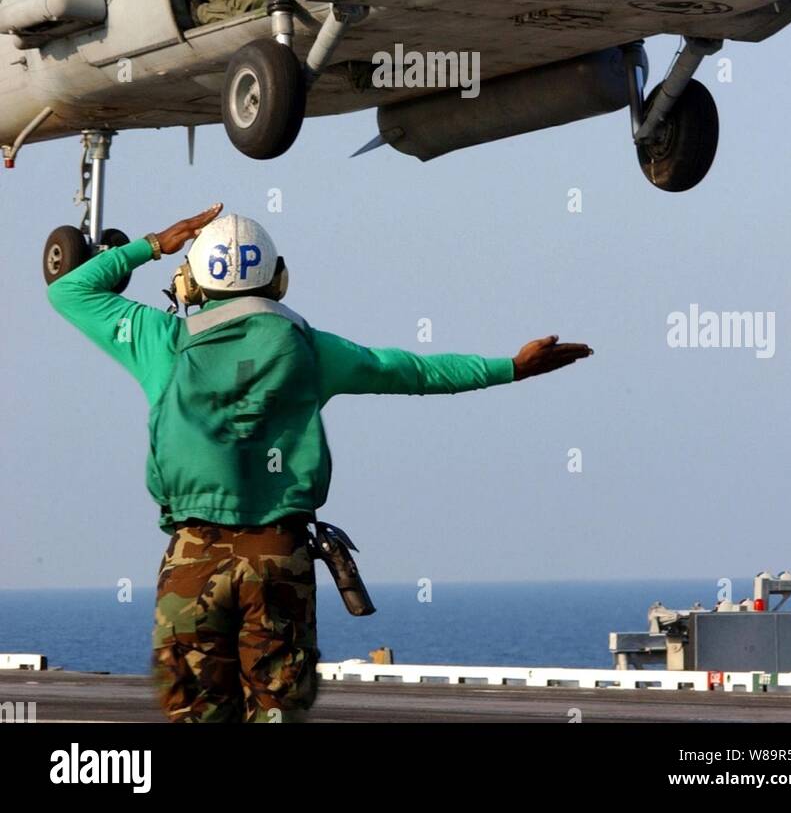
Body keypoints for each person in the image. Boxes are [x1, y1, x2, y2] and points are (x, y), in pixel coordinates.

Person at [46, 205, 594, 724]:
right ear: (279, 280)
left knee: (196, 711)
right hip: (279, 554)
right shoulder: (311, 350)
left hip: (194, 556)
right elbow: (412, 371)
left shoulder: (160, 340)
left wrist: (153, 245)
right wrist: (509, 367)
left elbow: (69, 291)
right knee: (278, 708)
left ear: (190, 284)